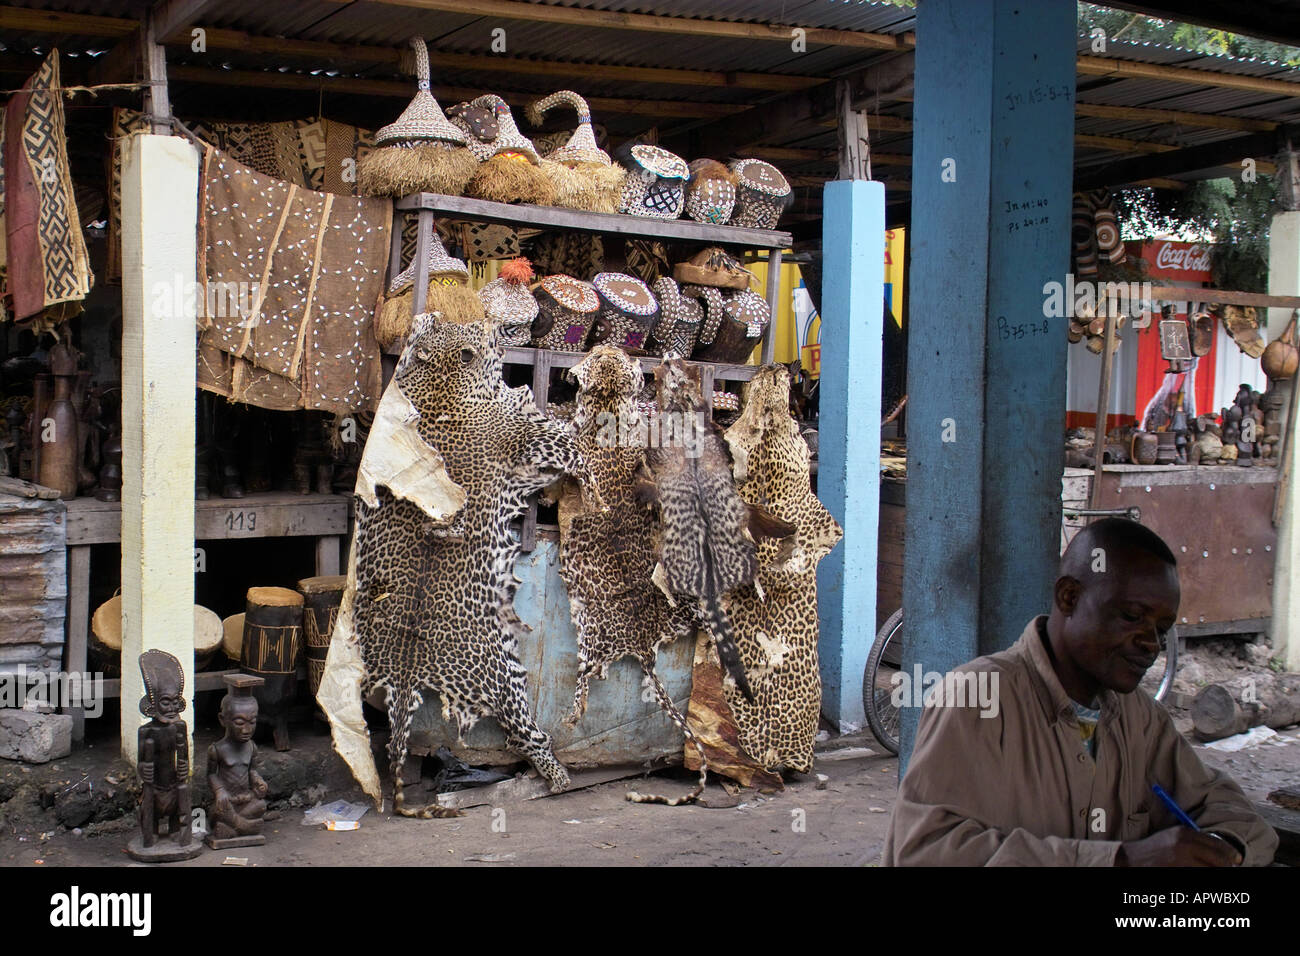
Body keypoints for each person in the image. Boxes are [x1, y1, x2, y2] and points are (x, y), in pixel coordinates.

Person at [884, 518, 1277, 866]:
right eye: (1131, 617)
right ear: (1069, 597)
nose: (1151, 643)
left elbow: (1226, 807)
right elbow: (924, 851)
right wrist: (1119, 859)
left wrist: (1221, 846)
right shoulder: (976, 700)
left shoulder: (1141, 720)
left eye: (1161, 628)